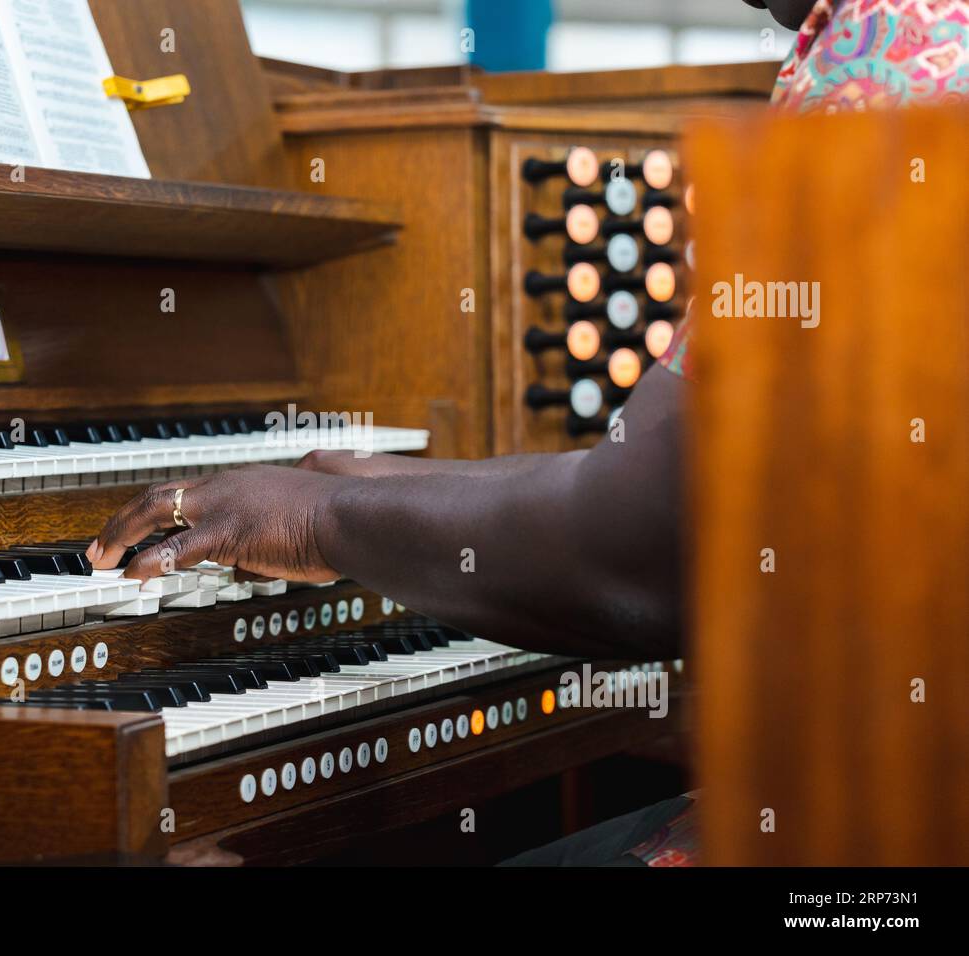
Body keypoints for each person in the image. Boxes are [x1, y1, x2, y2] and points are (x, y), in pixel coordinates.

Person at [87, 0, 969, 866]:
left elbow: (646, 556)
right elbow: (671, 481)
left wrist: (321, 519)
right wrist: (380, 486)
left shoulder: (891, 48)